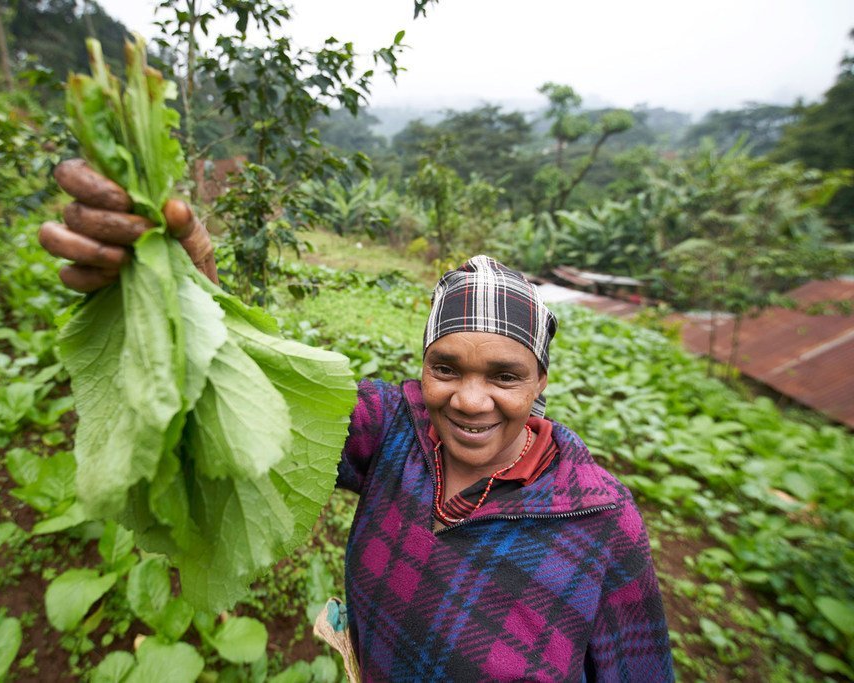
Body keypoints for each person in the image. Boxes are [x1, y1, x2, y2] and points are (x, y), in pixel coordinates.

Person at [40, 160, 675, 682]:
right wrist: (184, 284)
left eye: (505, 376)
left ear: (540, 382)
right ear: (422, 366)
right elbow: (262, 400)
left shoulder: (598, 522)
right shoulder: (395, 426)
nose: (471, 401)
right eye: (446, 368)